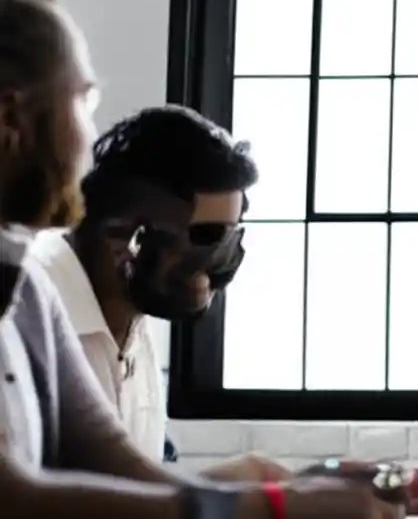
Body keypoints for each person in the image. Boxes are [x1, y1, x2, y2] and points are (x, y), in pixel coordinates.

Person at [0, 0, 403, 519]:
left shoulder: (22, 286)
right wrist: (272, 513)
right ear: (12, 120)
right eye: (83, 100)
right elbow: (13, 511)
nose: (90, 131)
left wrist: (292, 493)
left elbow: (130, 475)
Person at [27, 106, 288, 481]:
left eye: (232, 234)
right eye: (207, 236)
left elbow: (130, 493)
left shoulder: (136, 313)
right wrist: (233, 492)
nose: (219, 264)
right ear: (131, 238)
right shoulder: (23, 307)